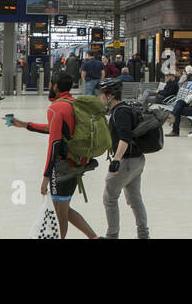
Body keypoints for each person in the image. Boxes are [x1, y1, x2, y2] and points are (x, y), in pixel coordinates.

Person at [10, 73, 97, 239]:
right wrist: (25, 125)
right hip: (78, 160)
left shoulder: (56, 108)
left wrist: (46, 176)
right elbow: (57, 130)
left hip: (64, 166)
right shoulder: (73, 103)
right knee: (64, 207)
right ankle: (94, 237)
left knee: (59, 212)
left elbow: (55, 144)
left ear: (55, 86)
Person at [98, 77, 150, 238]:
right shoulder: (124, 109)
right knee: (134, 199)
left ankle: (112, 235)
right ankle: (143, 235)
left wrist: (116, 160)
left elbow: (124, 138)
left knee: (109, 198)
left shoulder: (120, 112)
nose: (99, 98)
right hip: (137, 161)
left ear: (109, 96)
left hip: (126, 162)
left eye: (101, 95)